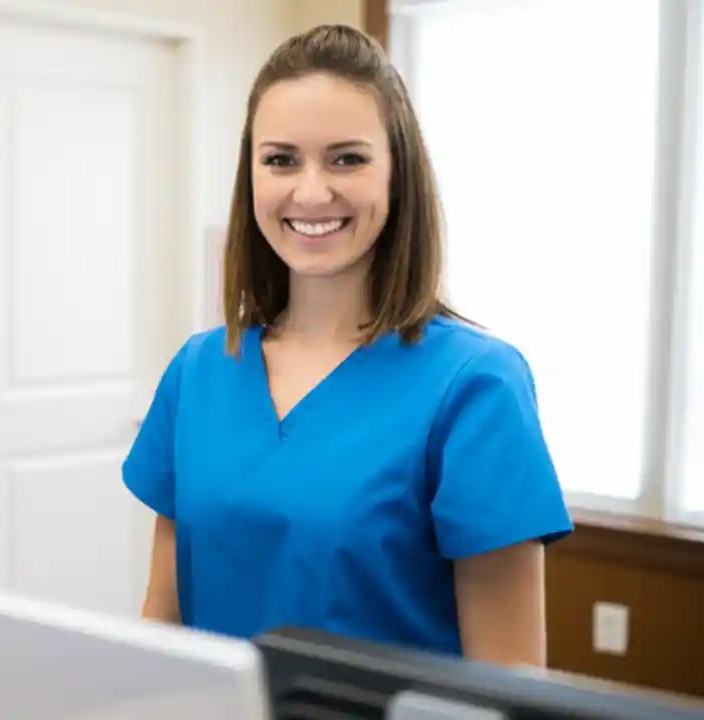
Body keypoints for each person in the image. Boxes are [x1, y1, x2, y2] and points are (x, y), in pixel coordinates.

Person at [122, 24, 573, 668]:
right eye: (280, 159)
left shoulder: (475, 386)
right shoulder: (199, 371)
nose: (310, 192)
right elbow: (160, 629)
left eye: (346, 158)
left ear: (397, 174)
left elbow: (507, 683)